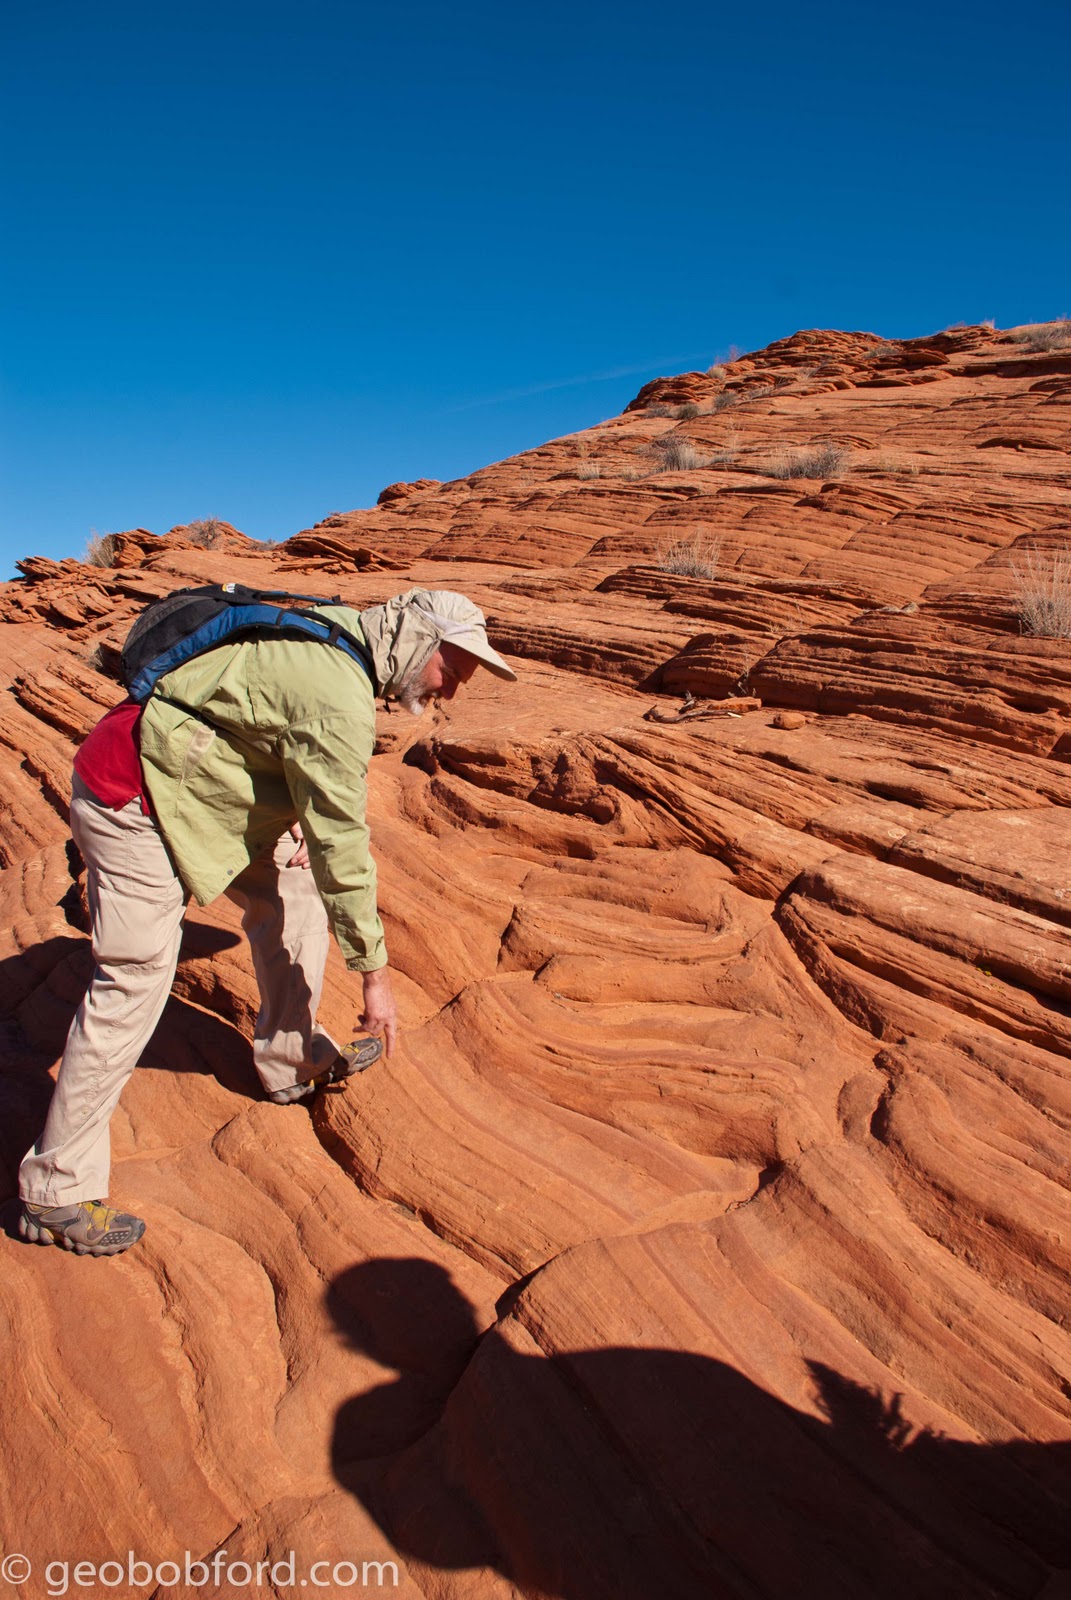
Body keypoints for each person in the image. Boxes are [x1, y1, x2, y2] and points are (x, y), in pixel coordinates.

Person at [16, 587, 516, 1257]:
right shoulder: (338, 689)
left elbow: (262, 724)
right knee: (133, 979)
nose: (449, 691)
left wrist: (298, 813)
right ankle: (55, 1191)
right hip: (131, 797)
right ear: (416, 642)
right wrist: (374, 975)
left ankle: (292, 1060)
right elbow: (344, 842)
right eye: (448, 672)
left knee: (295, 881)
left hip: (199, 789)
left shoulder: (341, 635)